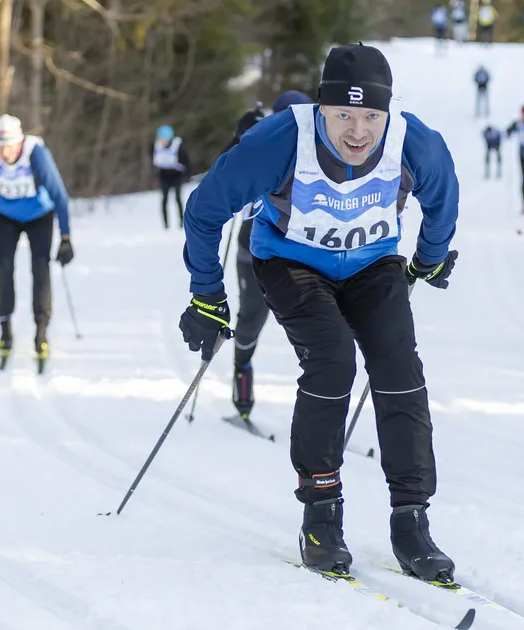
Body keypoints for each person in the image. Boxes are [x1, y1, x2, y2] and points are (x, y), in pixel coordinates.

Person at [177, 44, 461, 584]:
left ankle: (412, 519)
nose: (358, 131)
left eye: (371, 116)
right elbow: (205, 209)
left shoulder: (413, 141)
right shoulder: (281, 138)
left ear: (388, 111)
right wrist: (207, 294)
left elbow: (443, 196)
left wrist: (429, 259)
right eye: (344, 116)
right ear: (322, 109)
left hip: (374, 263)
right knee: (333, 362)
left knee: (400, 369)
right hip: (290, 261)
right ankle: (321, 517)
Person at [224, 91, 315, 422]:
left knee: (320, 332)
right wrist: (238, 142)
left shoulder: (319, 149)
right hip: (254, 252)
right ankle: (242, 390)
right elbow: (227, 186)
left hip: (305, 256)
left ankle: (325, 410)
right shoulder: (261, 147)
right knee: (250, 321)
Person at [0, 114, 73, 369]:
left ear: (19, 142)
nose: (5, 153)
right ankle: (5, 330)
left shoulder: (37, 154)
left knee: (40, 267)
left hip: (39, 215)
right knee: (3, 268)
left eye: (9, 147)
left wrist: (66, 237)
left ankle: (41, 332)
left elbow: (60, 196)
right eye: (0, 148)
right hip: (5, 216)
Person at [153, 124, 191, 229]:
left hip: (176, 176)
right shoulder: (157, 146)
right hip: (164, 176)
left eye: (164, 139)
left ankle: (182, 221)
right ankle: (165, 224)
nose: (163, 141)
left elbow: (186, 162)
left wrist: (187, 175)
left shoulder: (178, 146)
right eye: (161, 139)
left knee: (178, 199)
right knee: (164, 199)